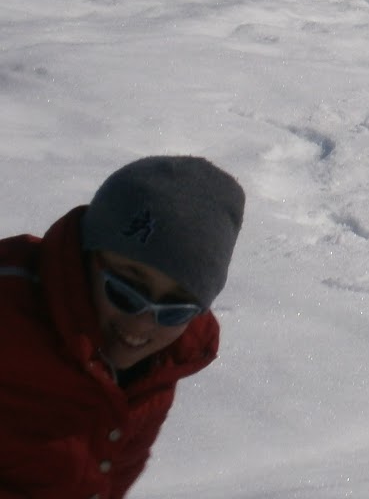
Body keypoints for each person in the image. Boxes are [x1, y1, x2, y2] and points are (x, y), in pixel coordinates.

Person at [0, 155, 245, 497]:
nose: (142, 324)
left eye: (174, 309)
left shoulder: (162, 363)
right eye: (125, 291)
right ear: (88, 257)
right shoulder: (11, 310)